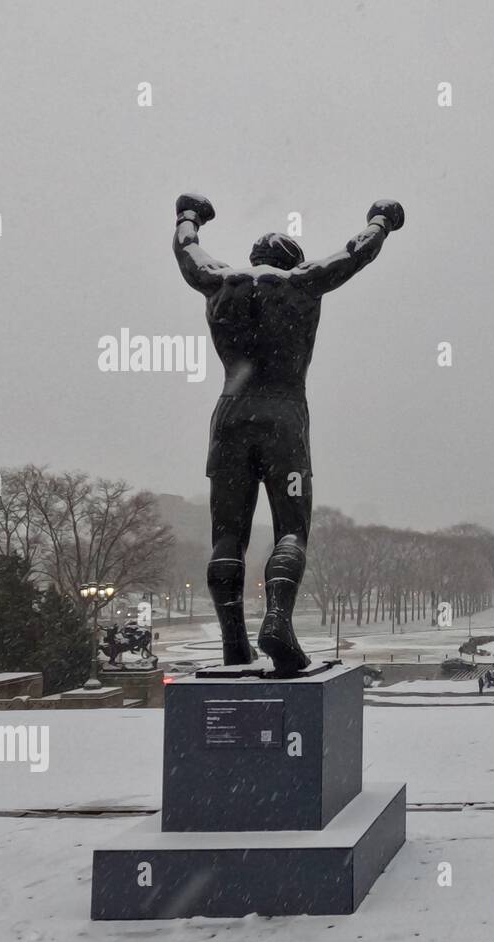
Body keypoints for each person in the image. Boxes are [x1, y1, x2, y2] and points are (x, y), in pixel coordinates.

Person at [173, 192, 403, 675]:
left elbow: (187, 249)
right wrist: (381, 220)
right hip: (284, 417)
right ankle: (278, 619)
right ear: (291, 262)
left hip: (231, 417)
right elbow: (354, 253)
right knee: (291, 528)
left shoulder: (218, 283)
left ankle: (233, 643)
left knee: (227, 535)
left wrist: (190, 215)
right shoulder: (302, 285)